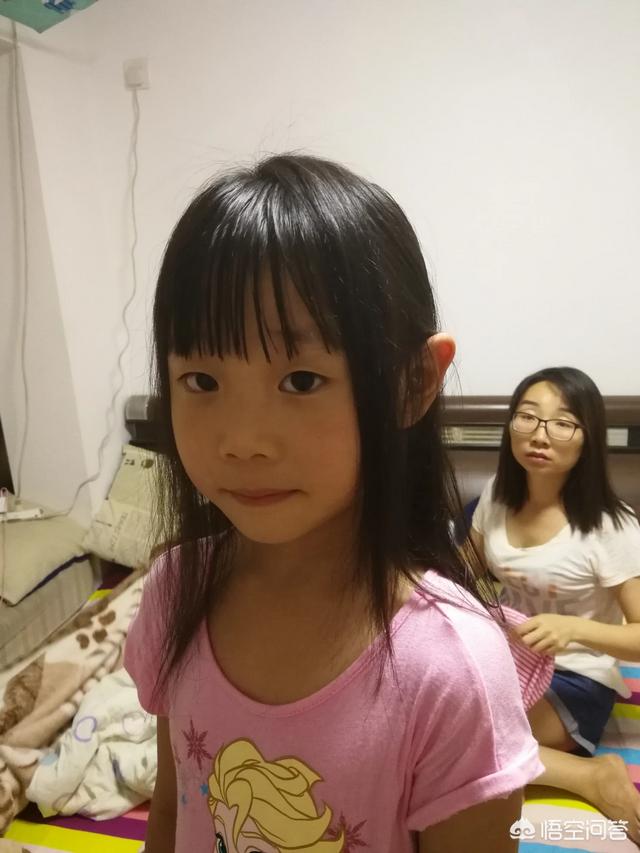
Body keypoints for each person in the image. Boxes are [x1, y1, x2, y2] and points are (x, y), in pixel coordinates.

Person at [124, 154, 545, 853]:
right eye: (201, 379)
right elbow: (172, 813)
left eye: (300, 379)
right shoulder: (177, 589)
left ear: (412, 384)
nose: (243, 440)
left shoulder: (452, 667)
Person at [470, 366, 640, 844]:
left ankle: (592, 776)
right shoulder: (497, 496)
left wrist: (572, 630)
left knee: (465, 744)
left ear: (588, 437)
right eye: (528, 417)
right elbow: (461, 571)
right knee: (425, 727)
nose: (540, 435)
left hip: (575, 677)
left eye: (563, 423)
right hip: (504, 664)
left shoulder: (610, 526)